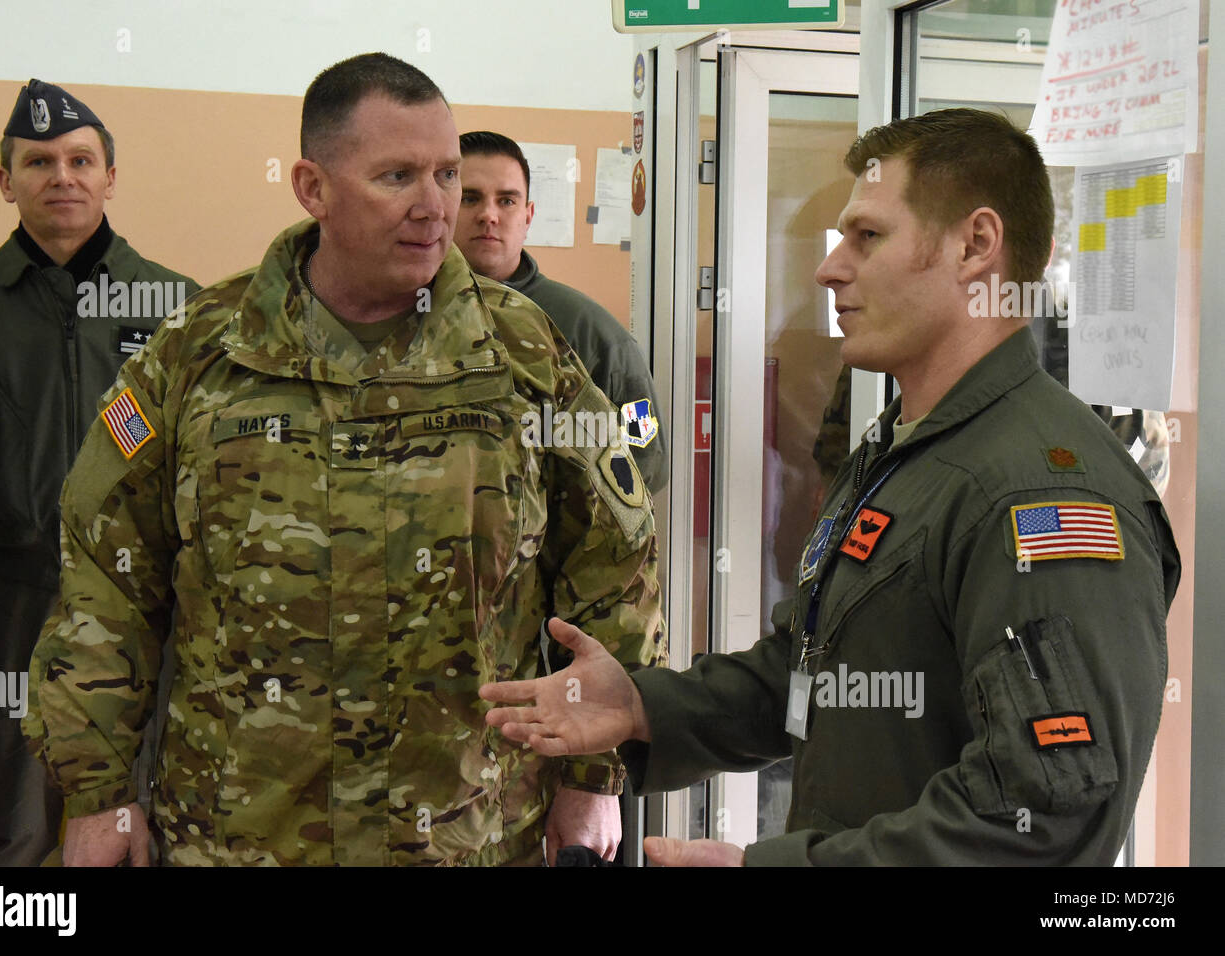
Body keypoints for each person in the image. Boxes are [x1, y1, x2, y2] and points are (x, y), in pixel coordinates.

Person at [481, 108, 1180, 866]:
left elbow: (1045, 811)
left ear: (976, 246)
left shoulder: (1040, 490)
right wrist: (643, 706)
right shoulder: (907, 447)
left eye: (867, 236)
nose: (829, 268)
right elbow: (814, 677)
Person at [21, 53, 664, 867]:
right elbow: (105, 578)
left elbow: (615, 562)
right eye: (397, 176)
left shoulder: (523, 353)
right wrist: (100, 792)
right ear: (312, 187)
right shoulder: (199, 354)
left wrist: (595, 776)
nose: (434, 206)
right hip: (242, 837)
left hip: (468, 832)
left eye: (447, 174)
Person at [0, 79, 196, 866]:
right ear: (5, 181)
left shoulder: (179, 308)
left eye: (80, 160)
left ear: (110, 176)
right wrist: (1, 528)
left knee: (147, 818)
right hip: (9, 603)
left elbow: (208, 460)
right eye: (38, 162)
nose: (62, 177)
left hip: (151, 599)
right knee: (10, 824)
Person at [455, 132, 667, 494]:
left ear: (528, 216)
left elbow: (645, 460)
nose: (488, 215)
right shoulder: (399, 314)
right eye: (469, 198)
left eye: (506, 200)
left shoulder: (589, 331)